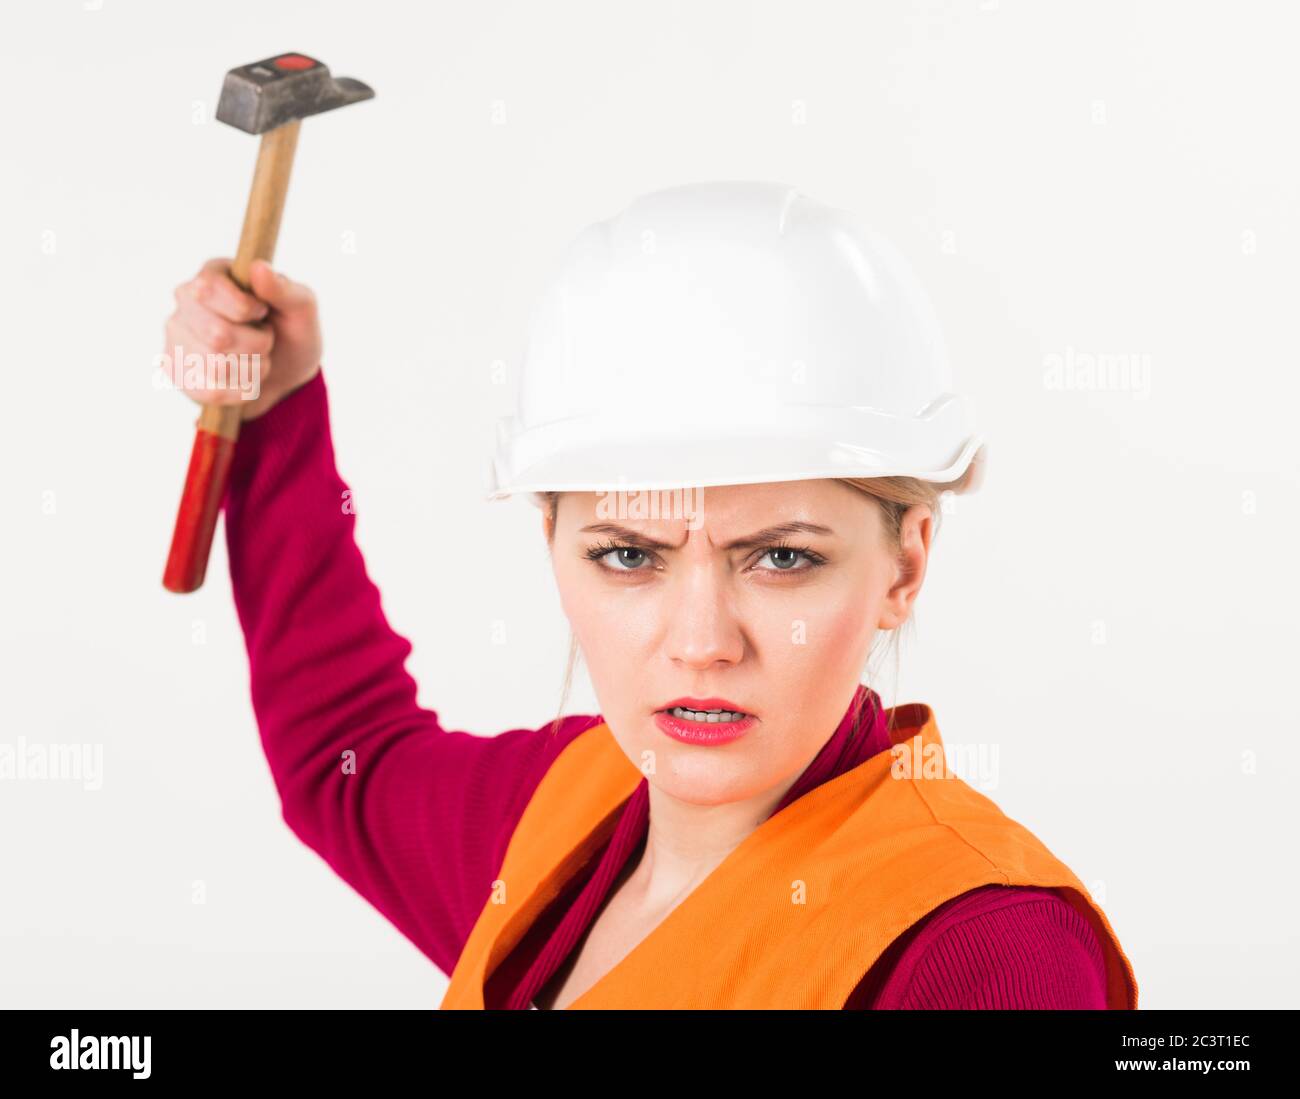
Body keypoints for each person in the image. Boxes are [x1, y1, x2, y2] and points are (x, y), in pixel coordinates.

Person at [160, 181, 1138, 1009]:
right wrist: (279, 407)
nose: (702, 642)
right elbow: (349, 758)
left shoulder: (979, 950)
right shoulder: (555, 819)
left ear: (904, 566)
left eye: (781, 559)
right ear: (551, 544)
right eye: (628, 556)